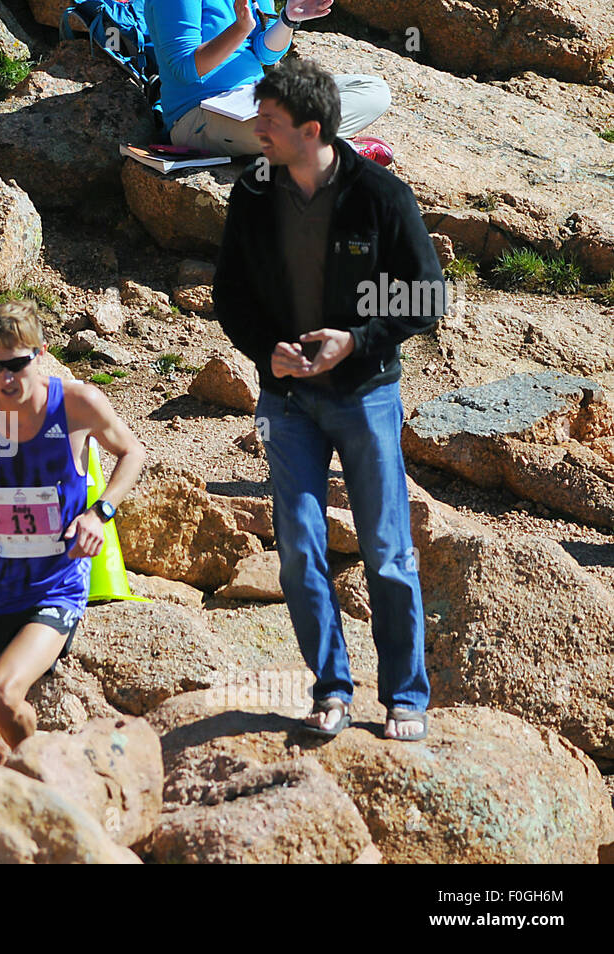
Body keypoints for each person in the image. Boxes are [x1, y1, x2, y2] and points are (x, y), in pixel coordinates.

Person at [212, 58, 444, 740]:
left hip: (364, 395)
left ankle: (405, 695)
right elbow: (230, 294)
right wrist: (268, 353)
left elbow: (427, 297)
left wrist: (356, 339)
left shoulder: (381, 196)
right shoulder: (252, 192)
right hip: (287, 401)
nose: (258, 131)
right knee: (299, 549)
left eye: (271, 123)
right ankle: (332, 689)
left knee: (386, 548)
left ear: (311, 130)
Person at [0, 303, 146, 763]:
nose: (6, 378)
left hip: (55, 584)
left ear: (40, 354)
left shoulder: (77, 404)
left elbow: (133, 452)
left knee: (1, 693)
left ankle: (51, 784)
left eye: (16, 364)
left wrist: (100, 513)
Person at [146, 0, 393, 163]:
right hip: (198, 116)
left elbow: (266, 53)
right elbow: (185, 69)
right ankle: (338, 151)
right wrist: (240, 28)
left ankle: (308, 145)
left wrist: (287, 19)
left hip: (254, 99)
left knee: (373, 91)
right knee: (274, 127)